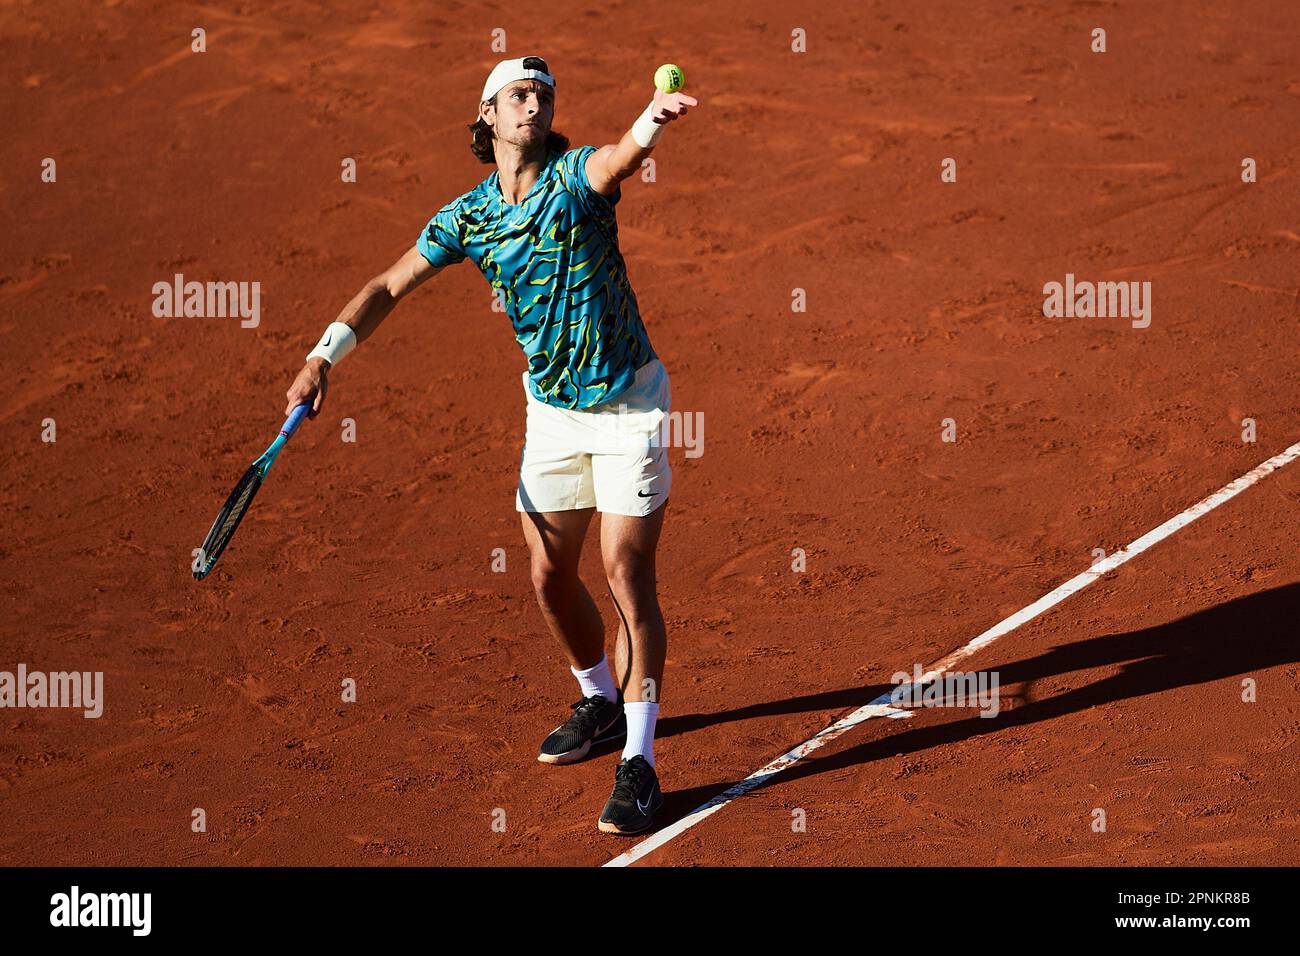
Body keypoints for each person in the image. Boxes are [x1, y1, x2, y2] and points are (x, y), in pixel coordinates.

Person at [284, 55, 697, 835]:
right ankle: (602, 701)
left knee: (624, 572)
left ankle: (639, 762)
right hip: (552, 413)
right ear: (487, 116)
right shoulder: (469, 218)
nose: (534, 100)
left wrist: (649, 122)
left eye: (543, 92)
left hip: (628, 405)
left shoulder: (575, 179)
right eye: (518, 92)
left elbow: (618, 160)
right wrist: (321, 356)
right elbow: (388, 285)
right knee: (547, 573)